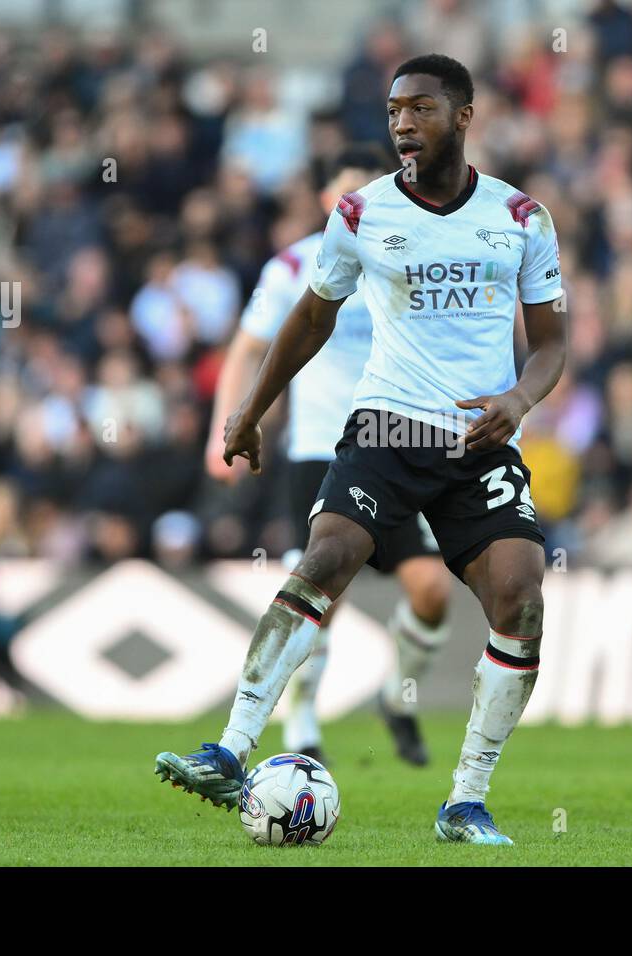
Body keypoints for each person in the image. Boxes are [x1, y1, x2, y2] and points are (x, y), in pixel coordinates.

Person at [155, 54, 566, 845]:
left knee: (520, 600)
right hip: (385, 427)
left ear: (465, 115)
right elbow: (310, 317)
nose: (404, 123)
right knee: (324, 561)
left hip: (479, 438)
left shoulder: (521, 218)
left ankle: (465, 801)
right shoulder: (359, 214)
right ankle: (232, 749)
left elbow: (551, 344)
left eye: (421, 108)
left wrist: (518, 400)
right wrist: (248, 410)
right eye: (394, 111)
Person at [205, 145, 455, 767]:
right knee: (322, 592)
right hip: (320, 447)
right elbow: (246, 350)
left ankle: (397, 699)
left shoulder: (405, 259)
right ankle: (302, 727)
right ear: (326, 200)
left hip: (397, 443)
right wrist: (225, 426)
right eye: (350, 190)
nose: (363, 200)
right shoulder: (292, 266)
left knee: (432, 591)